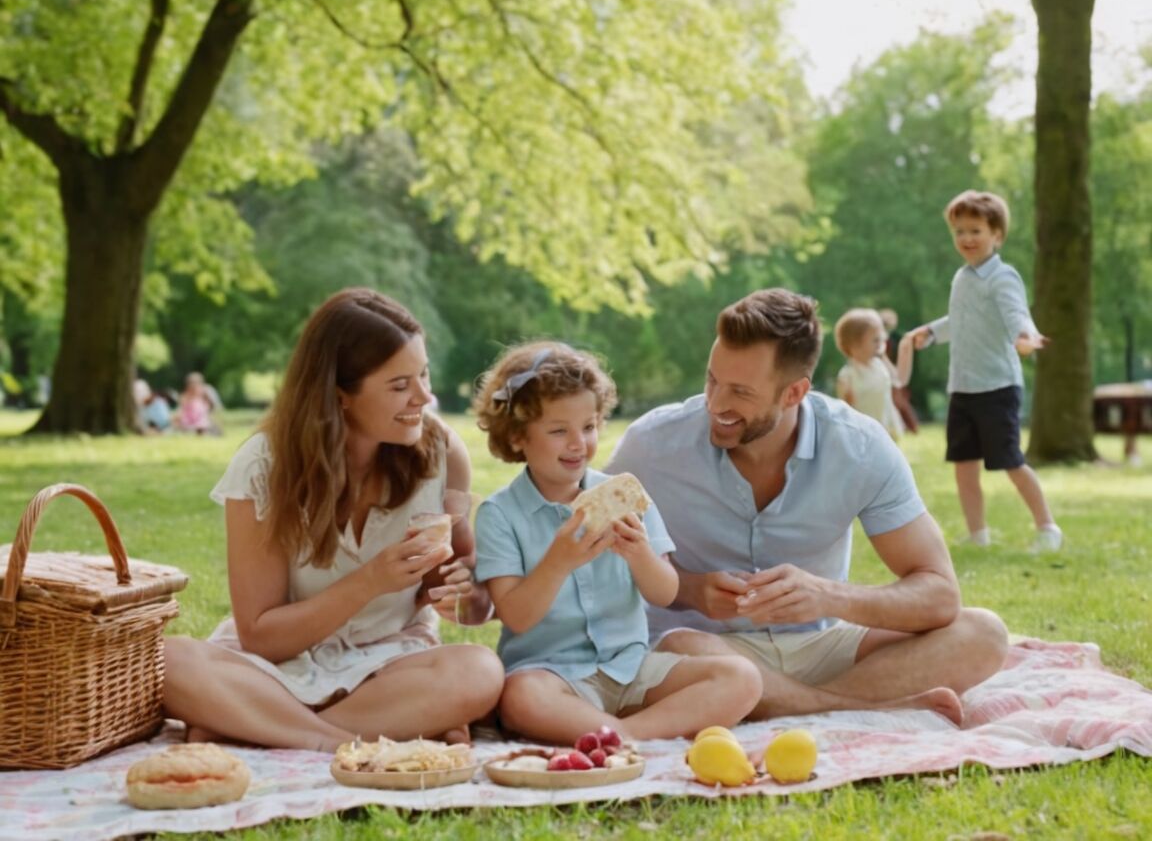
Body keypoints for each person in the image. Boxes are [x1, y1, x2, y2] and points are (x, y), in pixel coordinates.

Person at [605, 287, 1009, 724]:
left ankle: (780, 705)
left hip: (820, 648)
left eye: (740, 391)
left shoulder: (859, 447)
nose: (717, 404)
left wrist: (827, 597)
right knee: (679, 647)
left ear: (794, 393)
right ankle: (848, 707)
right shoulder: (652, 445)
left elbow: (939, 594)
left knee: (982, 634)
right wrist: (691, 591)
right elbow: (589, 556)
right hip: (704, 650)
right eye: (712, 380)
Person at [163, 288, 504, 751]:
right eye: (400, 385)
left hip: (390, 664)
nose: (425, 396)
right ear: (340, 395)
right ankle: (335, 738)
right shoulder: (263, 468)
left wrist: (462, 592)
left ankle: (258, 724)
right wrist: (370, 581)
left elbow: (474, 602)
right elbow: (261, 638)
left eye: (422, 375)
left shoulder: (443, 455)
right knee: (171, 660)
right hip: (280, 665)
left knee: (479, 672)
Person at [472, 342, 761, 744]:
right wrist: (557, 561)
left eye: (589, 427)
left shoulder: (624, 494)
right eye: (559, 431)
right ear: (518, 437)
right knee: (520, 699)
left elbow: (665, 592)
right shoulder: (499, 514)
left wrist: (640, 553)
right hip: (552, 675)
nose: (578, 444)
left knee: (742, 678)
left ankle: (620, 735)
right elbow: (517, 617)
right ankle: (620, 731)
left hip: (630, 668)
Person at [909, 191, 1062, 553]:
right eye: (959, 231)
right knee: (964, 465)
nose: (966, 239)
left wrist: (1025, 337)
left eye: (975, 230)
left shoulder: (1003, 277)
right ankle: (978, 535)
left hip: (997, 387)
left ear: (997, 235)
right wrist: (931, 332)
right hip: (962, 388)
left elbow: (1015, 314)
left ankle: (1048, 528)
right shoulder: (963, 277)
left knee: (1011, 462)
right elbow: (960, 321)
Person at [833, 307, 915, 440]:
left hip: (886, 426)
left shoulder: (880, 364)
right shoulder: (847, 376)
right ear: (855, 346)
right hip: (863, 434)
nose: (881, 344)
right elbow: (846, 410)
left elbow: (899, 380)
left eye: (881, 340)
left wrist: (904, 350)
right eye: (875, 340)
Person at [878, 307, 920, 433]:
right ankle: (908, 426)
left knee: (899, 401)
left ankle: (910, 426)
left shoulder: (890, 339)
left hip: (889, 374)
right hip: (884, 374)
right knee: (896, 401)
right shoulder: (879, 340)